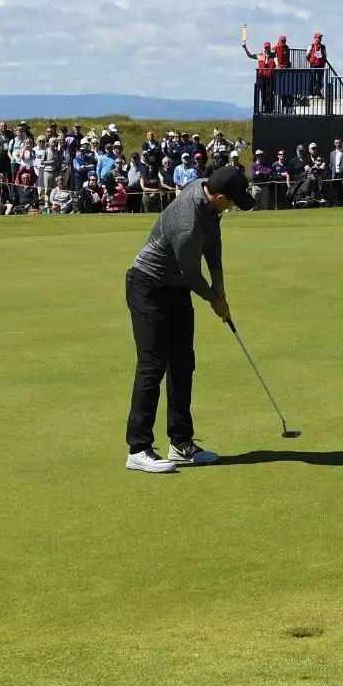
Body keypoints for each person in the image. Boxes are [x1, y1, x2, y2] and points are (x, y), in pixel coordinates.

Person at [121, 163, 254, 474]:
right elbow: (192, 274)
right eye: (231, 201)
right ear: (219, 196)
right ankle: (138, 449)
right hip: (148, 287)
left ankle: (181, 443)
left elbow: (215, 242)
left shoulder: (209, 199)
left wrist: (221, 287)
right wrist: (214, 301)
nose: (232, 206)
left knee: (183, 361)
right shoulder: (188, 222)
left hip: (175, 287)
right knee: (153, 365)